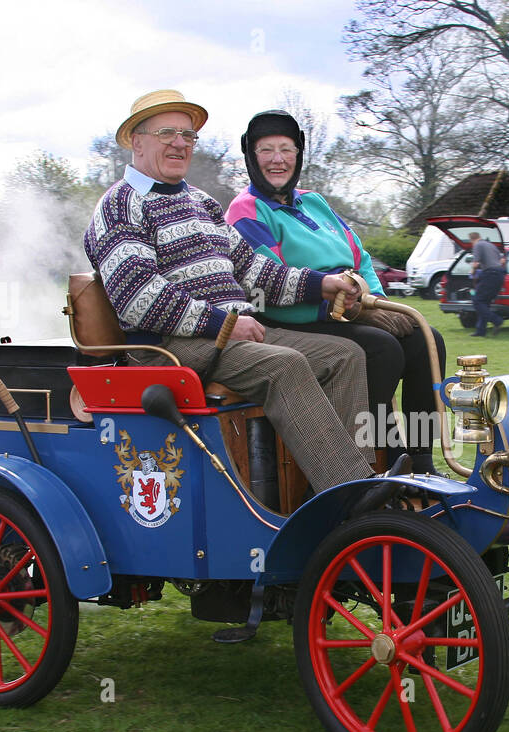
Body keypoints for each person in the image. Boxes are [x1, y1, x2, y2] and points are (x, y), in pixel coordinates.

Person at [83, 89, 377, 492]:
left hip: (228, 335)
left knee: (345, 355)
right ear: (137, 140)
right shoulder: (121, 204)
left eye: (188, 136)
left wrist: (320, 285)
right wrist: (223, 323)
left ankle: (342, 486)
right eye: (167, 132)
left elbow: (253, 271)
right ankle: (353, 495)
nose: (180, 143)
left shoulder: (202, 202)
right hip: (170, 346)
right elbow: (138, 300)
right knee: (284, 364)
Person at [226, 110, 446, 474]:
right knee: (381, 350)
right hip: (298, 318)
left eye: (286, 149)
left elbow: (359, 256)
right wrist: (351, 310)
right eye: (266, 150)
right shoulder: (246, 211)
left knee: (426, 338)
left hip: (357, 307)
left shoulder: (315, 201)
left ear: (299, 155)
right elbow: (268, 283)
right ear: (251, 157)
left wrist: (381, 304)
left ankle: (421, 459)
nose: (278, 159)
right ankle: (383, 459)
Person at [468, 231, 506, 337]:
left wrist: (472, 272)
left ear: (472, 240)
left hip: (490, 274)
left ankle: (497, 320)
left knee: (477, 301)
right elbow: (502, 261)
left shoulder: (478, 245)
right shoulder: (491, 245)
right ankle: (481, 331)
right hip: (499, 275)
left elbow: (476, 263)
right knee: (485, 303)